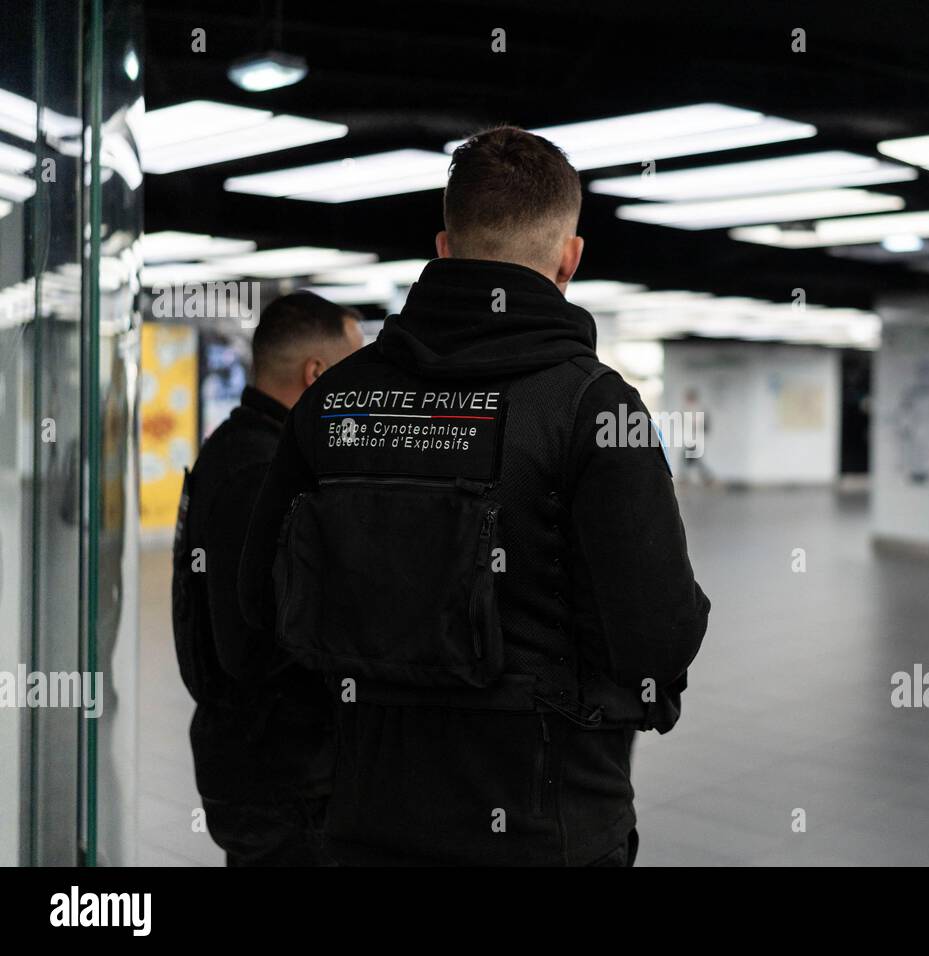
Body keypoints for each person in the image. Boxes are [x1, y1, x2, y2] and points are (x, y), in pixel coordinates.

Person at [237, 126, 710, 866]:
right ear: (569, 256)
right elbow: (657, 637)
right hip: (550, 829)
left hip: (365, 822)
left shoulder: (332, 401)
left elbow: (261, 608)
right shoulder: (594, 411)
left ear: (444, 247)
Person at [172, 291, 363, 865]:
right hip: (281, 779)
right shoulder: (260, 474)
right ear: (317, 376)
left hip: (261, 768)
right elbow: (250, 647)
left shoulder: (238, 449)